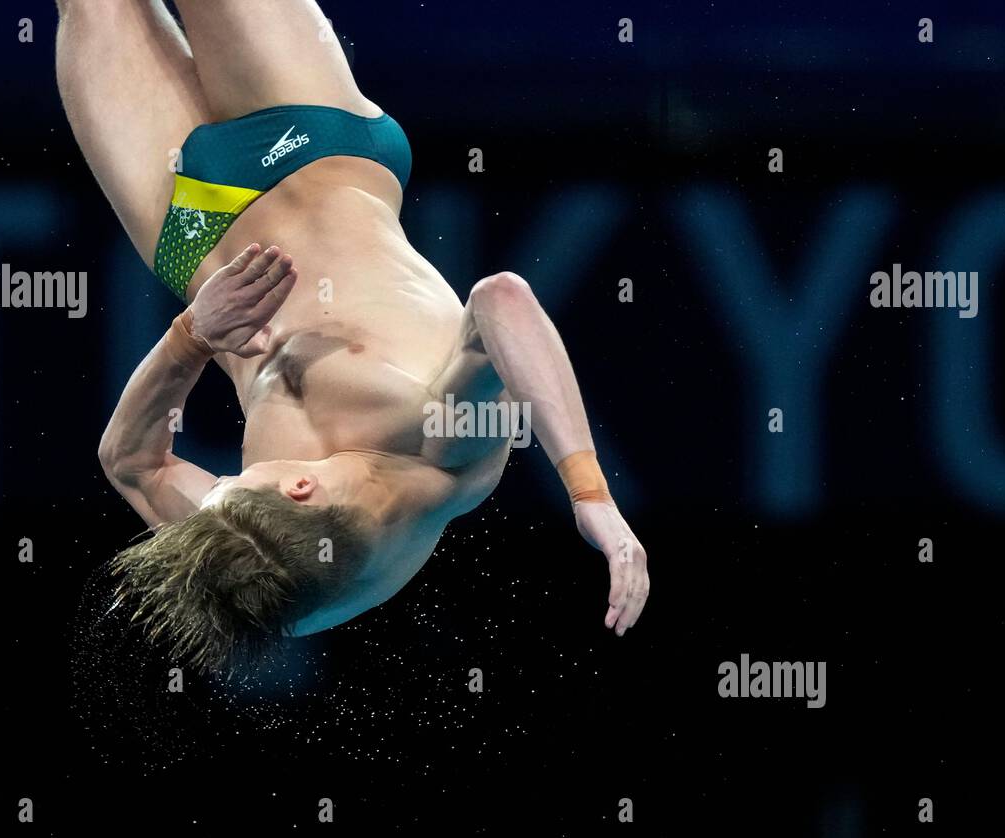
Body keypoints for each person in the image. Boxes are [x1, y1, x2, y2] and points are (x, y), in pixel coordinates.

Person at [56, 0, 649, 672]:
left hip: (191, 232)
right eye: (240, 478)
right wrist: (590, 493)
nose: (225, 480)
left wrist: (193, 336)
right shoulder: (440, 450)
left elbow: (133, 461)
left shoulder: (260, 556)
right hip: (315, 140)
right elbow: (500, 300)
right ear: (301, 488)